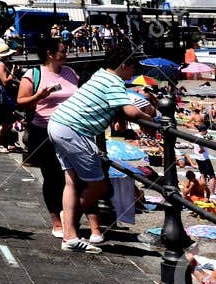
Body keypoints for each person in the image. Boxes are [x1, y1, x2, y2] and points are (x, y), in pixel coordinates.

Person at [47, 40, 156, 254]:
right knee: (99, 186)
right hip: (74, 130)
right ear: (124, 65)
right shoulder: (114, 81)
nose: (133, 73)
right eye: (133, 67)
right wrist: (153, 119)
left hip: (58, 124)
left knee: (72, 182)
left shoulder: (100, 75)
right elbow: (129, 111)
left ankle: (69, 235)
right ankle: (69, 221)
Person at [16, 36, 80, 238]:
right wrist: (38, 97)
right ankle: (56, 221)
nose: (66, 54)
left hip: (71, 131)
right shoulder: (33, 74)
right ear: (50, 54)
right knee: (53, 176)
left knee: (71, 177)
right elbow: (21, 101)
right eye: (62, 50)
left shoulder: (70, 73)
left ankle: (67, 217)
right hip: (44, 132)